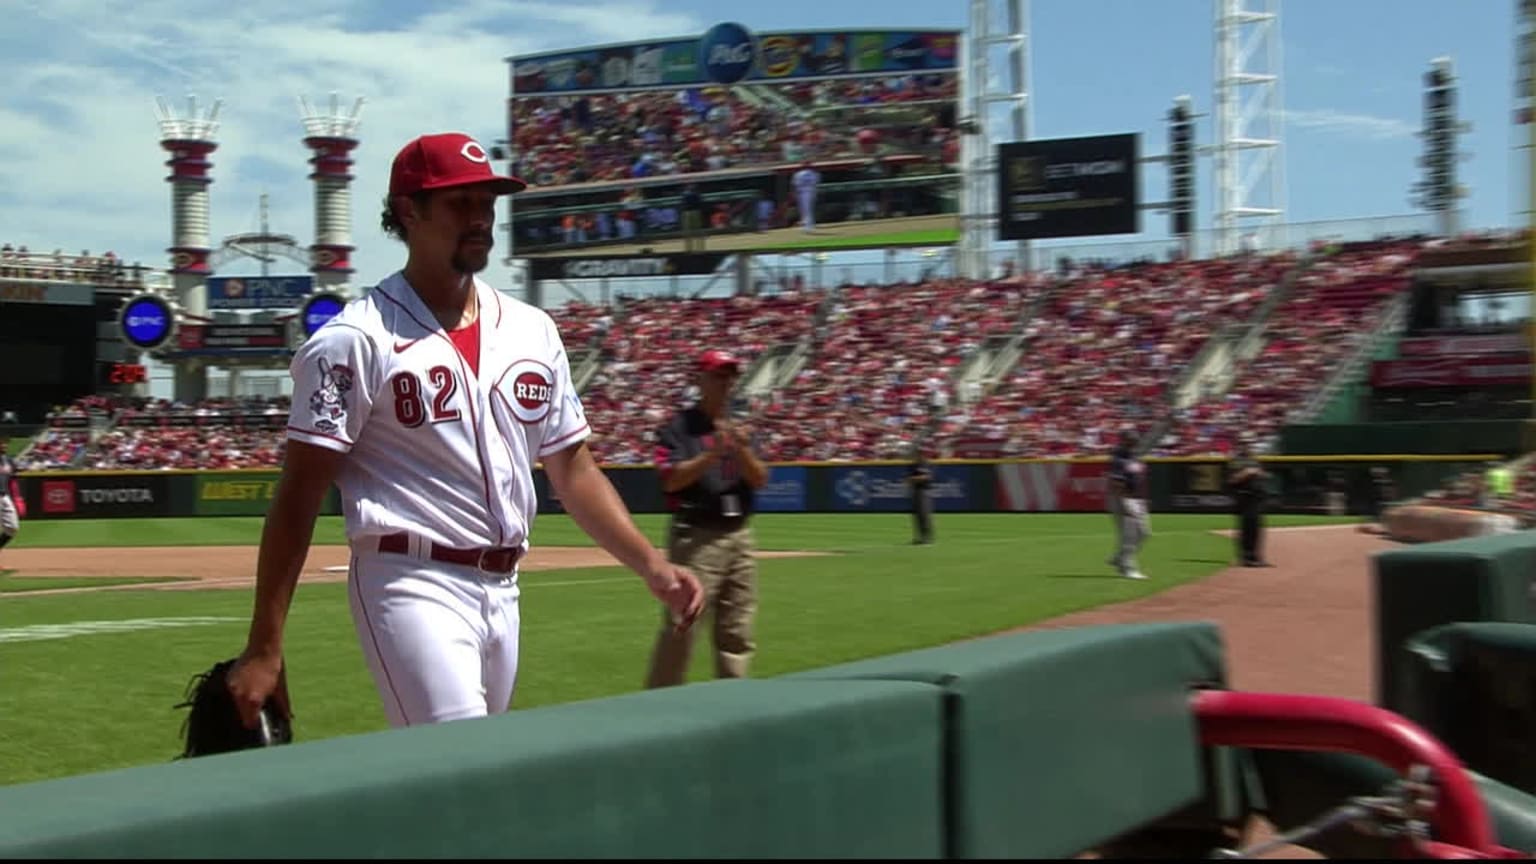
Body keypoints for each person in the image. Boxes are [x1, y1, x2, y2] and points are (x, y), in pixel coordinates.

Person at [226, 131, 704, 731]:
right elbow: (298, 495)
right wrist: (266, 644)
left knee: (461, 783)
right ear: (409, 211)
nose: (481, 218)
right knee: (463, 762)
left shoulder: (532, 331)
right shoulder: (357, 339)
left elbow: (574, 470)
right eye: (460, 203)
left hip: (504, 590)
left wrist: (651, 566)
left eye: (487, 202)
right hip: (410, 580)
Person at [645, 349, 768, 689]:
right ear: (700, 379)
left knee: (737, 629)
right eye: (717, 375)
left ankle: (733, 701)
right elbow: (670, 478)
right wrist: (713, 453)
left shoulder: (738, 429)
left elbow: (759, 479)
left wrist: (739, 449)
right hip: (697, 535)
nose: (726, 383)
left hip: (739, 534)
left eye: (730, 376)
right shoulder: (680, 429)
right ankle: (658, 704)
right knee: (683, 624)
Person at [1106, 430, 1149, 580]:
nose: (1134, 443)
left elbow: (1139, 478)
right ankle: (1128, 569)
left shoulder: (1135, 456)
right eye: (1131, 441)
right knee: (1129, 536)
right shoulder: (1119, 459)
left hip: (1137, 499)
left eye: (1136, 440)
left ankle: (1119, 557)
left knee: (1144, 533)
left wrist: (1142, 500)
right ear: (1123, 441)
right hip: (1123, 498)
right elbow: (1116, 483)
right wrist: (1125, 503)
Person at [1228, 442, 1271, 567]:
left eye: (1249, 444)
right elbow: (1232, 479)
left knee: (1257, 528)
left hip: (1257, 498)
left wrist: (1260, 473)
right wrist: (1246, 473)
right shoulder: (1236, 461)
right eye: (1244, 445)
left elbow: (1263, 475)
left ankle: (1256, 556)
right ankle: (1244, 557)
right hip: (1244, 498)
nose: (1247, 447)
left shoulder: (1254, 460)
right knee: (1245, 528)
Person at [907, 447, 934, 545]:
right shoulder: (913, 465)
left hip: (924, 491)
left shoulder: (925, 464)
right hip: (915, 491)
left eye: (921, 453)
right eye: (918, 453)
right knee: (917, 516)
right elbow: (908, 479)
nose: (918, 455)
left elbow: (926, 477)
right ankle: (919, 537)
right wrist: (913, 480)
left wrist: (914, 479)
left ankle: (927, 538)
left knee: (924, 514)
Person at [0, 437, 19, 558]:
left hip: (4, 496)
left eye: (5, 444)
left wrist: (17, 497)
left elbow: (13, 479)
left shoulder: (9, 460)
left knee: (12, 528)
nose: (4, 446)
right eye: (1, 444)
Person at [792, 161, 819, 233]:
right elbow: (815, 184)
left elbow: (796, 185)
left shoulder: (799, 174)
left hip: (803, 192)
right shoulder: (814, 174)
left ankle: (808, 227)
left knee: (805, 210)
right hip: (811, 192)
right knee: (809, 210)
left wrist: (795, 193)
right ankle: (808, 225)